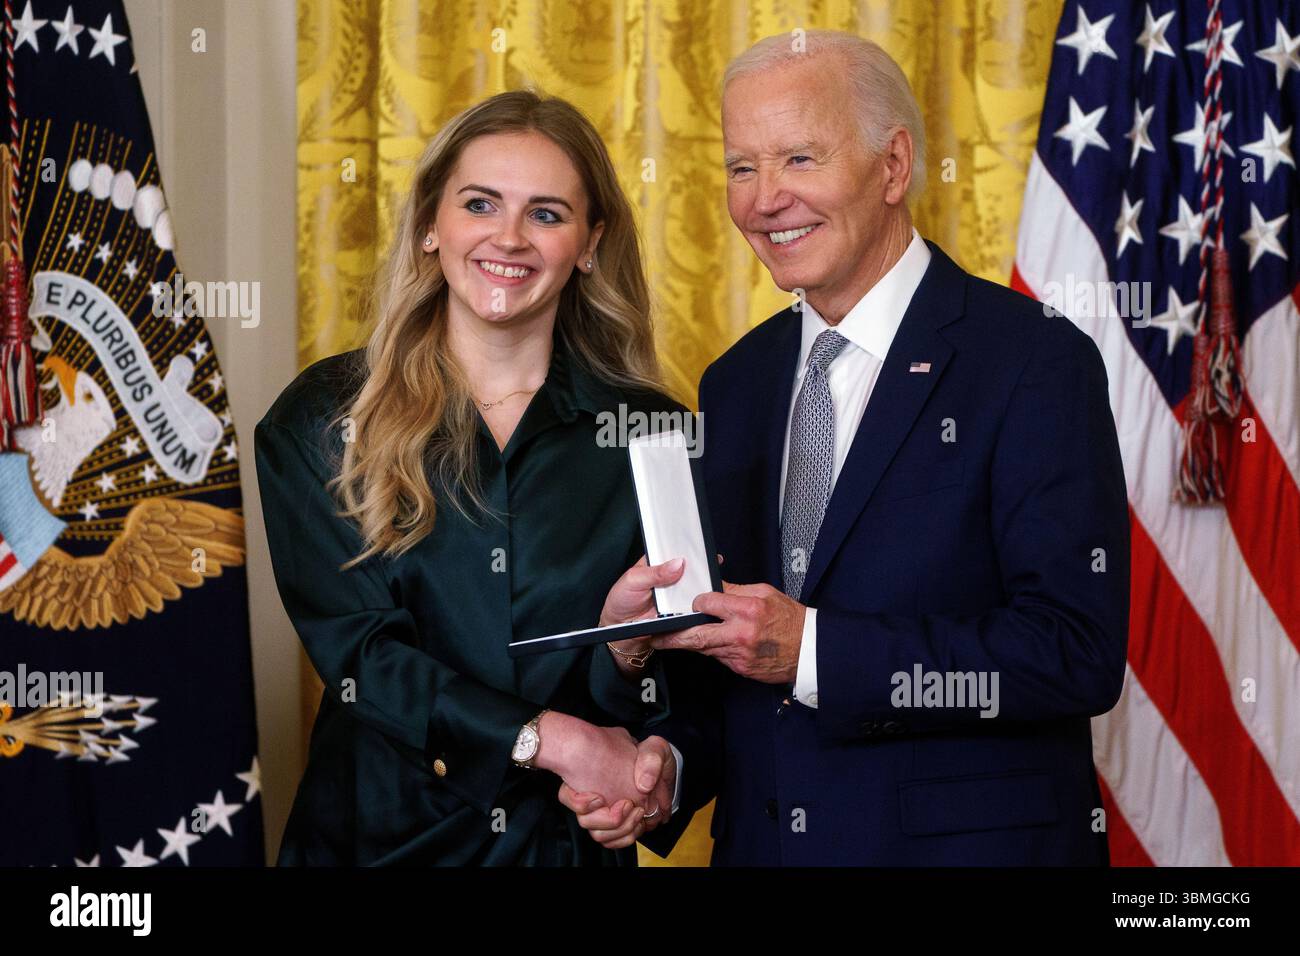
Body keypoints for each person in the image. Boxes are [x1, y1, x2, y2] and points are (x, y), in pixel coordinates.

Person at [561, 30, 1130, 865]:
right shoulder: (735, 382)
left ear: (894, 167)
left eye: (798, 157)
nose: (764, 199)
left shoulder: (1033, 360)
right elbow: (742, 664)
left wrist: (814, 650)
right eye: (741, 167)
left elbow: (1074, 655)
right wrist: (668, 766)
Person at [256, 90, 682, 865]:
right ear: (430, 224)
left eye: (547, 214)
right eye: (481, 204)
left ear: (589, 242)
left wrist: (629, 657)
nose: (509, 238)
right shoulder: (316, 420)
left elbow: (670, 697)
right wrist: (550, 740)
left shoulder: (656, 433)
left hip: (563, 850)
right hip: (375, 845)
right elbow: (363, 657)